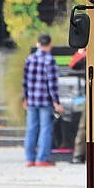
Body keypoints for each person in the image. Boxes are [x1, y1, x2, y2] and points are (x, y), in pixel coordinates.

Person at [22, 34, 64, 167]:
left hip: (32, 100)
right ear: (50, 44)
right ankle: (42, 159)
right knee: (45, 129)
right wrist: (56, 102)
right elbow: (52, 84)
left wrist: (25, 98)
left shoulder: (30, 58)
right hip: (45, 100)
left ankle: (29, 159)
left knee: (31, 129)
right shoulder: (49, 60)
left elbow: (25, 81)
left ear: (38, 43)